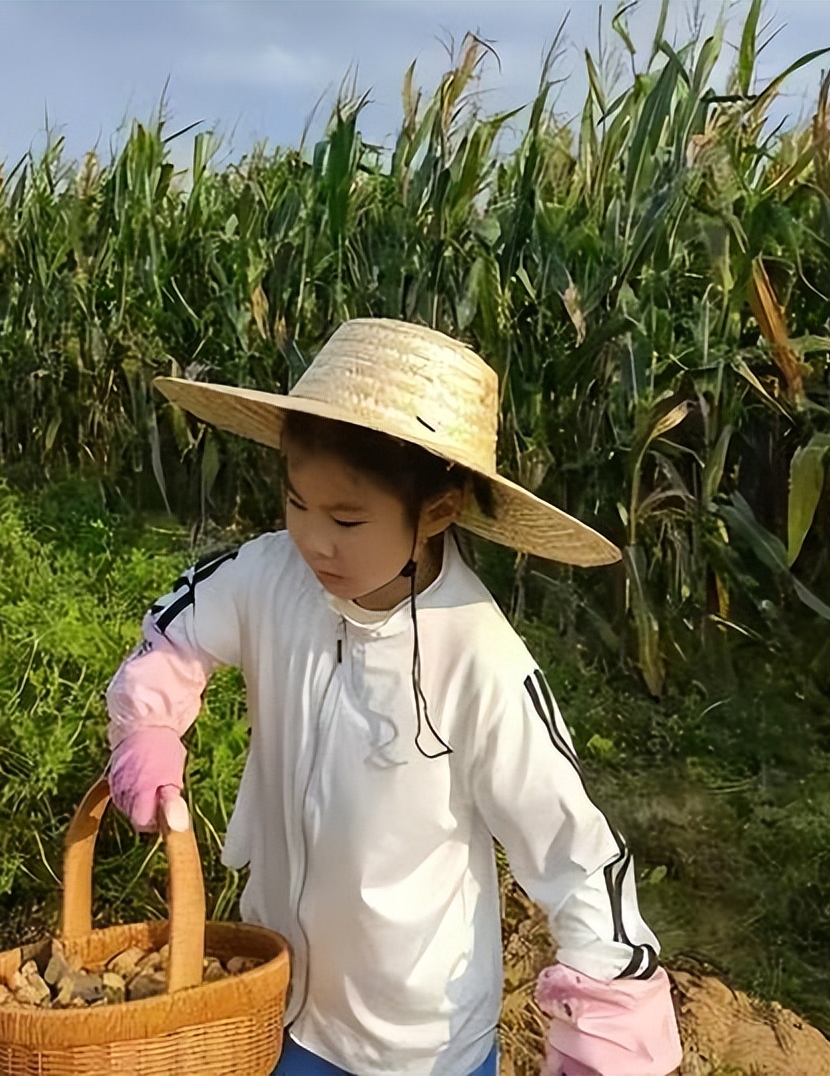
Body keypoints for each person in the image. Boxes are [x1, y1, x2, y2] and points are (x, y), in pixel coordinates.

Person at [105, 319, 682, 1076]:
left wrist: (606, 1031)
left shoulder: (478, 660)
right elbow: (177, 633)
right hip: (273, 1002)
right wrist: (148, 726)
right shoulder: (268, 575)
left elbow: (576, 854)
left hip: (418, 1046)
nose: (314, 541)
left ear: (436, 510)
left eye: (346, 519)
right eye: (296, 503)